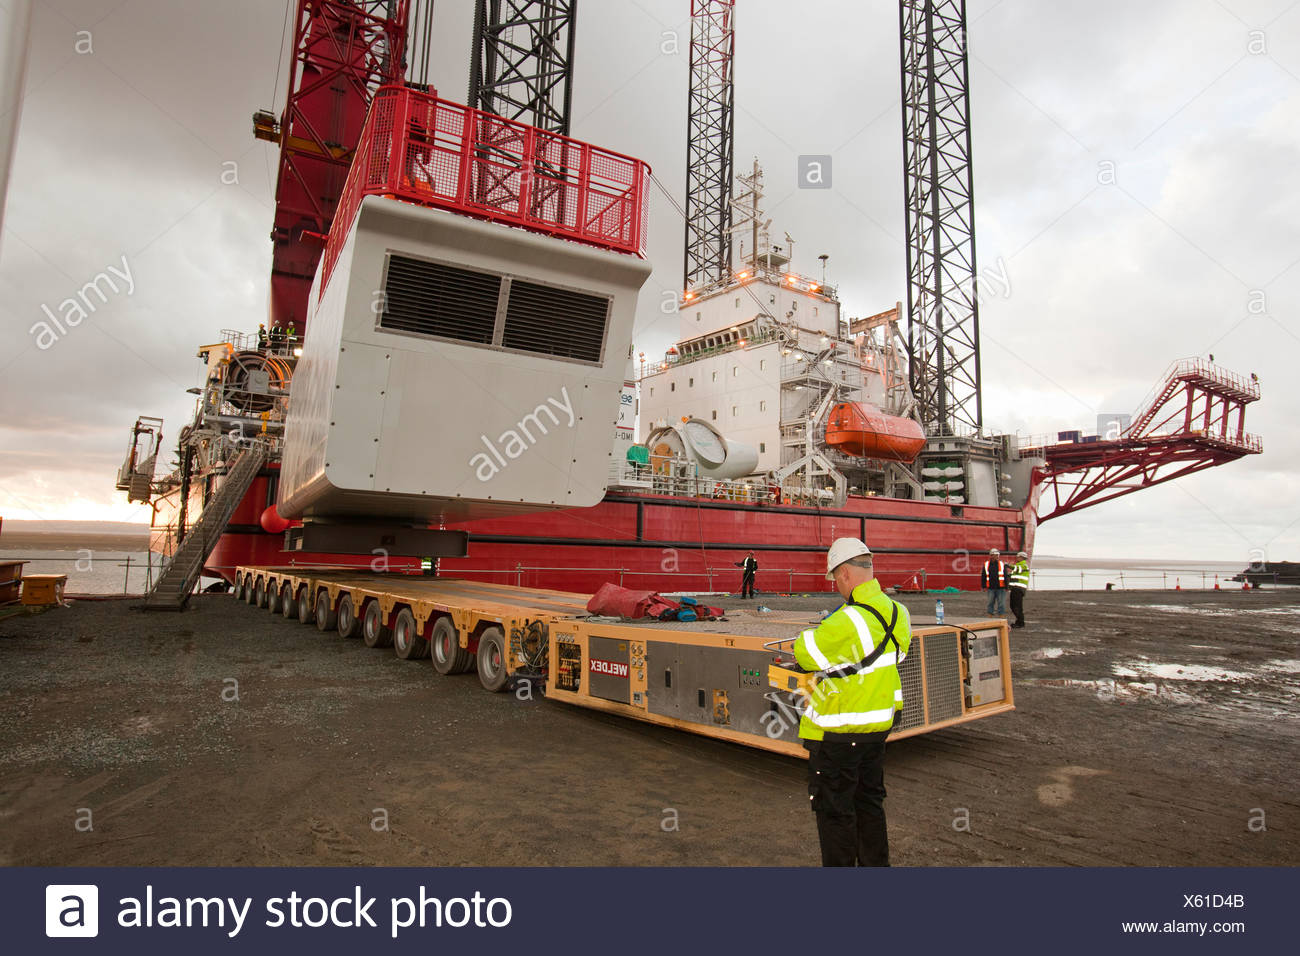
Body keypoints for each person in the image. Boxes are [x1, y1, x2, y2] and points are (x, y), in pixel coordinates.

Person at [792, 538, 911, 866]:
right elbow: (894, 656)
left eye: (835, 579)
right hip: (877, 732)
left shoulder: (847, 621)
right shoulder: (899, 613)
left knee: (835, 813)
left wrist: (817, 632)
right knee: (870, 804)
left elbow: (806, 651)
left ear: (844, 573)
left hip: (839, 737)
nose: (836, 587)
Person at [981, 548, 1008, 617]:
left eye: (997, 555)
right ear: (991, 555)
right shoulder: (986, 564)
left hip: (1001, 587)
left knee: (1001, 603)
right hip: (991, 587)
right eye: (995, 555)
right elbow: (983, 576)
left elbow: (1005, 576)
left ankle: (1001, 615)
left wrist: (1007, 587)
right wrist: (983, 586)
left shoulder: (1002, 564)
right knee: (990, 602)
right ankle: (990, 614)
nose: (996, 557)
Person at [1008, 550, 1030, 628]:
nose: (1016, 557)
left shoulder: (1023, 565)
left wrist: (1007, 565)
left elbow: (1016, 569)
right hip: (1016, 589)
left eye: (1018, 556)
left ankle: (1020, 623)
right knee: (1015, 606)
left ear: (1021, 557)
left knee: (1016, 606)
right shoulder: (1020, 565)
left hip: (1018, 589)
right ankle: (1019, 622)